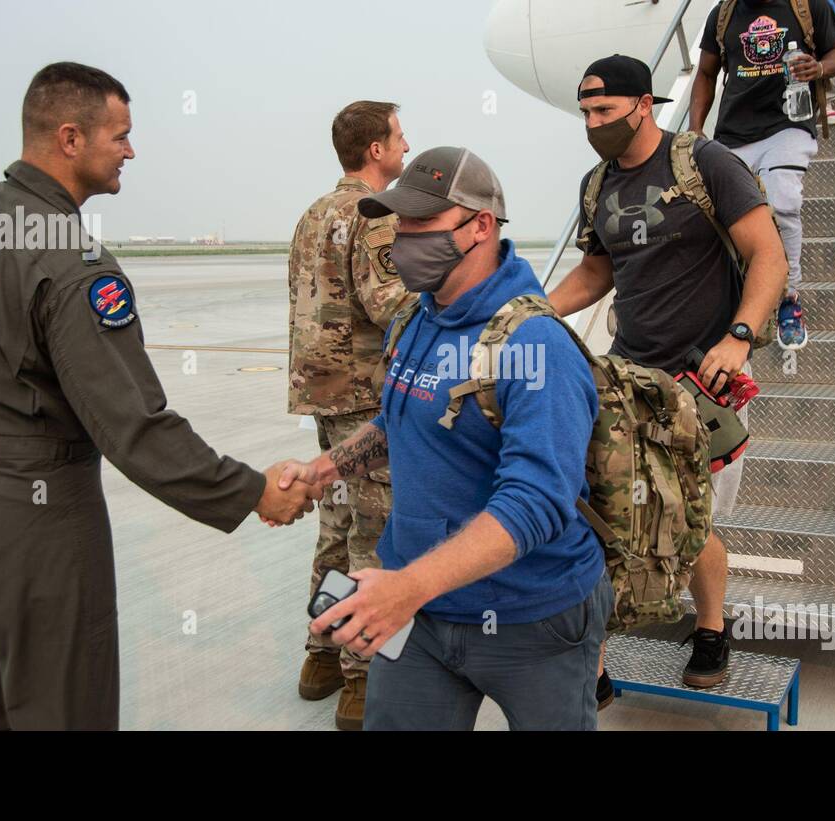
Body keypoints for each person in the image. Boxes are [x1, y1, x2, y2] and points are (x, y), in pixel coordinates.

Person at [0, 61, 317, 730]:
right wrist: (252, 491)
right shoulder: (73, 261)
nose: (131, 150)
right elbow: (134, 427)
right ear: (70, 138)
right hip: (32, 528)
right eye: (119, 135)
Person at [280, 146, 611, 730]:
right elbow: (401, 419)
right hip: (420, 617)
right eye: (399, 223)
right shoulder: (416, 318)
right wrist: (324, 469)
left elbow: (536, 503)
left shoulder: (536, 344)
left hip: (530, 616)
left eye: (420, 225)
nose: (402, 239)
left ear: (479, 225)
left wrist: (406, 587)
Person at [547, 55, 788, 698]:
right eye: (587, 114)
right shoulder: (595, 186)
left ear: (643, 105)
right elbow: (600, 270)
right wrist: (540, 309)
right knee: (604, 513)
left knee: (692, 519)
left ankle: (710, 630)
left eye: (605, 112)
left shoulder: (705, 164)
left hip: (704, 380)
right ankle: (593, 662)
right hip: (629, 375)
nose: (594, 124)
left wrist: (739, 337)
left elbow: (768, 252)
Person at [287, 100, 416, 730]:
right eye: (399, 136)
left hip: (322, 391)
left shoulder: (314, 213)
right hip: (365, 396)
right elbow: (388, 301)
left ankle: (320, 657)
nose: (407, 145)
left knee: (335, 528)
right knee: (374, 534)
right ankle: (361, 685)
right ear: (375, 150)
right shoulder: (376, 215)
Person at [688, 0, 835, 349]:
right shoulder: (724, 12)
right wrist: (695, 130)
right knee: (718, 220)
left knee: (781, 201)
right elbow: (705, 73)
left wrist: (818, 68)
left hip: (788, 123)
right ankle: (734, 301)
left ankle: (788, 298)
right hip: (733, 132)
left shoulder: (807, 5)